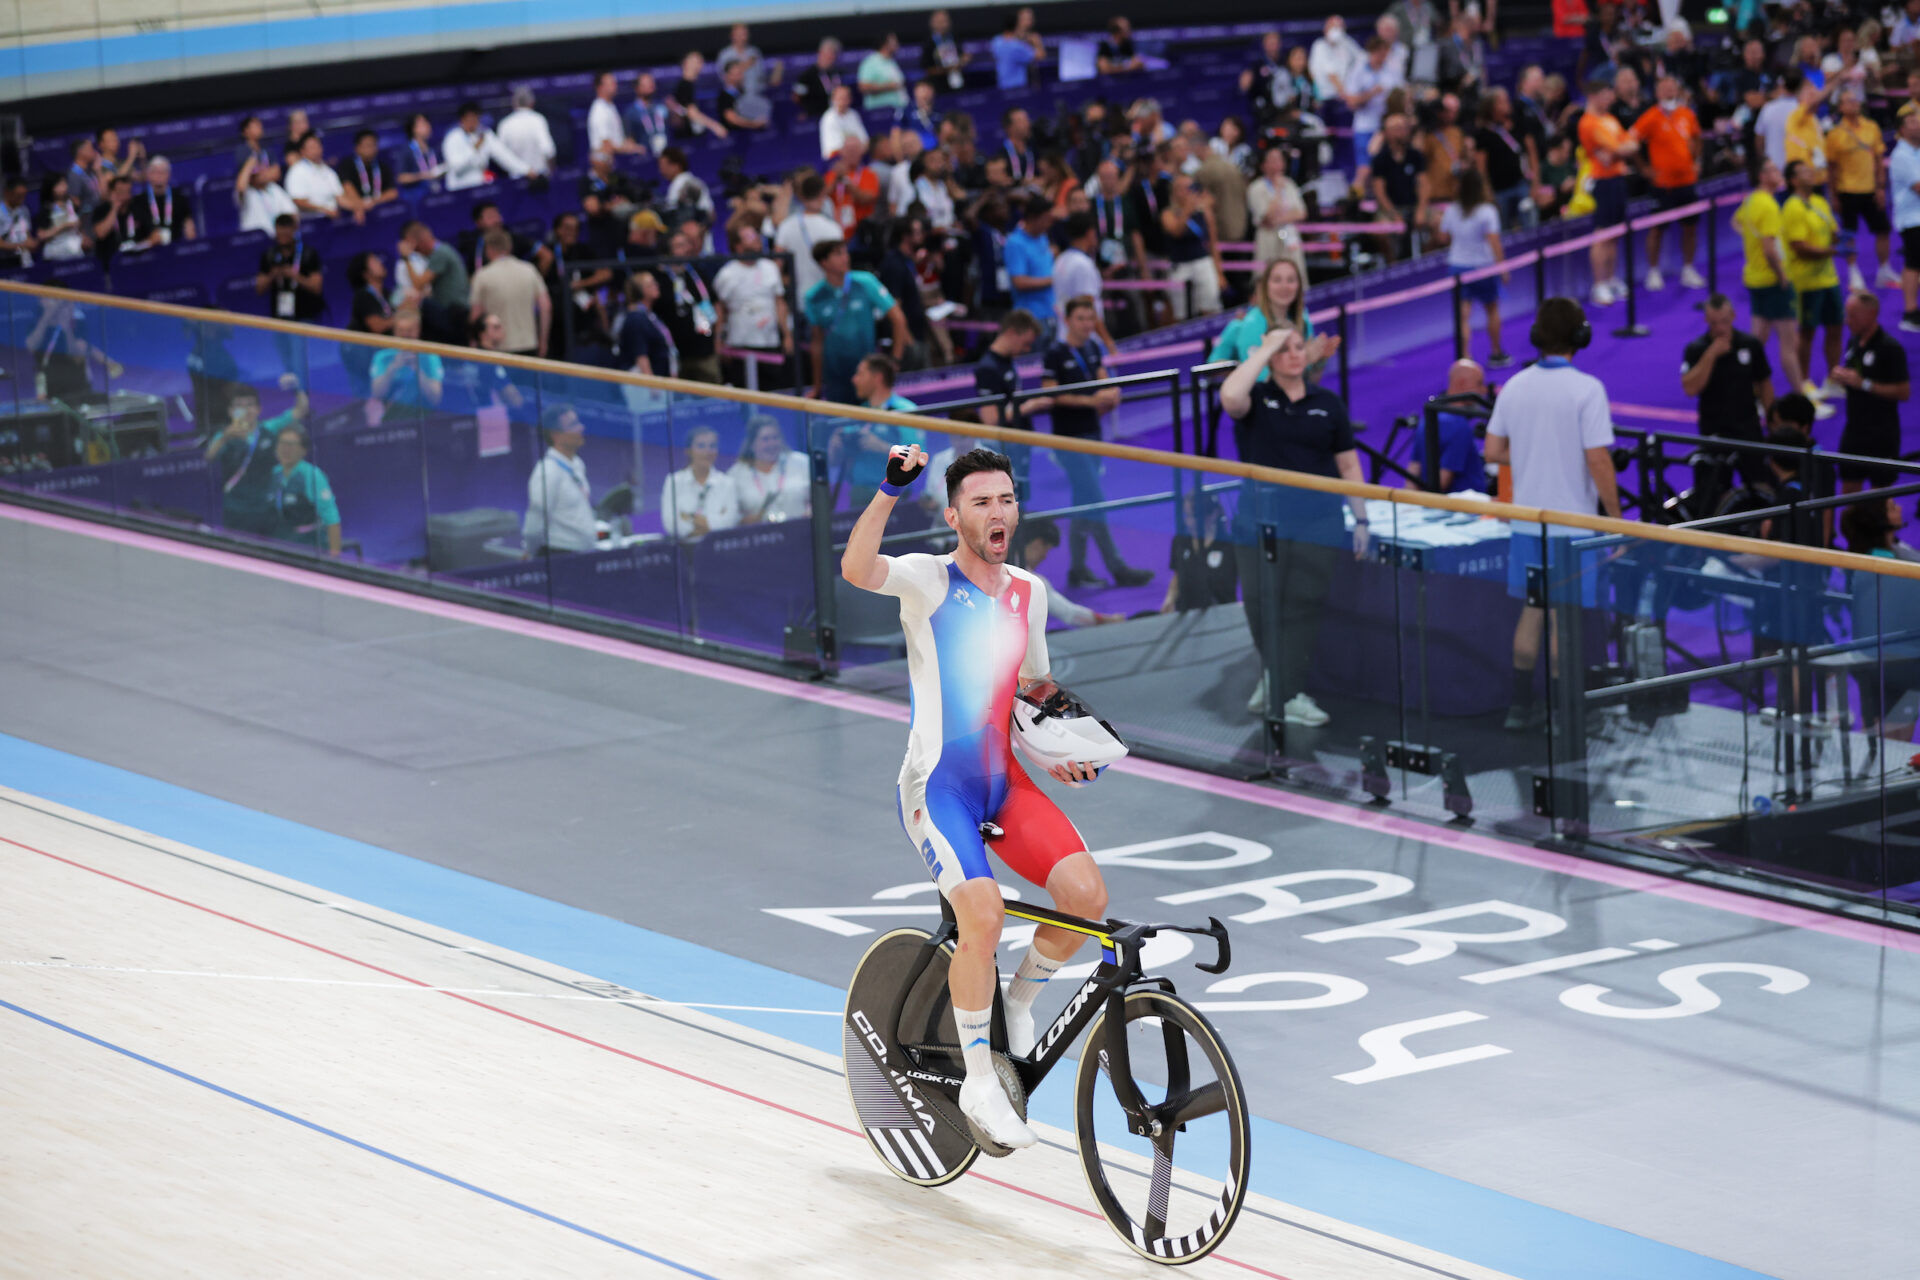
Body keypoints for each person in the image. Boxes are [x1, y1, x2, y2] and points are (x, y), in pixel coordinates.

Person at [838, 443, 1112, 1152]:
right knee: (982, 913)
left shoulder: (1030, 592)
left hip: (1005, 782)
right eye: (982, 502)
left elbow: (1034, 689)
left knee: (1086, 896)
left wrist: (1067, 748)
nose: (999, 512)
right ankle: (978, 1081)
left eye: (1007, 499)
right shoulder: (928, 579)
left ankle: (1017, 1003)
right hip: (939, 786)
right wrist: (889, 490)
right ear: (955, 513)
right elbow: (857, 569)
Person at [1220, 325, 1370, 724]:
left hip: (1316, 524)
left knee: (1302, 608)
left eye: (1298, 347)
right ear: (1268, 356)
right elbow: (1230, 396)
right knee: (1258, 604)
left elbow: (1348, 464)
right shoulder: (1256, 397)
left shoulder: (1328, 403)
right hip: (1259, 523)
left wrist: (1361, 517)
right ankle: (1276, 679)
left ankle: (1289, 692)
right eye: (1282, 349)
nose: (1293, 354)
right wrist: (1264, 349)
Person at [1483, 297, 1620, 731]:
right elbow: (1598, 461)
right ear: (1580, 336)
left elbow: (1492, 451)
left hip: (1528, 522)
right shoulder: (1587, 389)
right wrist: (1614, 520)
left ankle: (1520, 707)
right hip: (1572, 526)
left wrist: (1528, 455)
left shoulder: (1516, 386)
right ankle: (1564, 715)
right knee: (1563, 619)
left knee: (1532, 611)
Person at [1043, 296, 1152, 591]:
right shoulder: (1055, 353)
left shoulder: (1092, 347)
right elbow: (1052, 394)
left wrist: (1111, 393)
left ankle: (1077, 570)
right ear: (1068, 320)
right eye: (1081, 319)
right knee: (1095, 501)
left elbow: (1103, 381)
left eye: (1091, 319)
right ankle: (1117, 568)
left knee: (1084, 502)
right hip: (1069, 439)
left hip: (1093, 433)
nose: (1087, 325)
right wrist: (1091, 399)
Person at [1734, 160, 1818, 413]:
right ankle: (1802, 400)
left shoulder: (1751, 201)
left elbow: (1737, 223)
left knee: (1756, 340)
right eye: (1773, 170)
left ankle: (1748, 394)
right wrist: (1782, 275)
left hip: (1754, 277)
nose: (1779, 174)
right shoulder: (1769, 205)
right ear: (1763, 175)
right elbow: (1771, 249)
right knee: (1789, 342)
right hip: (1772, 280)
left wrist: (1754, 245)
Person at [1683, 295, 1776, 488]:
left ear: (1733, 316)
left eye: (1724, 322)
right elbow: (1690, 388)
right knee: (1715, 490)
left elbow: (1764, 384)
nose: (1719, 328)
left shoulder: (1750, 344)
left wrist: (1772, 422)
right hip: (1714, 430)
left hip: (1747, 428)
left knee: (1760, 485)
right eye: (1714, 323)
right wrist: (1712, 354)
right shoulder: (1696, 349)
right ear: (1706, 320)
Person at [805, 240, 908, 404]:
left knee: (872, 425)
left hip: (869, 375)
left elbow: (898, 319)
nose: (845, 258)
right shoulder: (814, 297)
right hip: (835, 378)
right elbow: (817, 343)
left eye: (846, 253)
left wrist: (895, 361)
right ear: (824, 262)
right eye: (838, 254)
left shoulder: (865, 282)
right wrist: (817, 386)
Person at [1831, 291, 1912, 492]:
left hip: (1882, 434)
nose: (1847, 321)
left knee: (1880, 499)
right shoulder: (1853, 342)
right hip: (1854, 430)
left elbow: (1904, 392)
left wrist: (1865, 384)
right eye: (1847, 315)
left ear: (1871, 314)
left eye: (1853, 316)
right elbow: (1856, 378)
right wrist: (1843, 378)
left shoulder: (1890, 348)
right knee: (1848, 491)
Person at [206, 381, 309, 538]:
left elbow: (300, 410)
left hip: (267, 509)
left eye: (250, 405)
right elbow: (209, 456)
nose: (246, 410)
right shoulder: (224, 436)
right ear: (231, 411)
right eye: (239, 405)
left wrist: (297, 388)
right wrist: (225, 437)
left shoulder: (269, 428)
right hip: (237, 511)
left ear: (259, 409)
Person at [1630, 74, 1703, 292]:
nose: (1669, 92)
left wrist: (1697, 161)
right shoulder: (1650, 117)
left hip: (1687, 181)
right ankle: (1653, 271)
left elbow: (1698, 138)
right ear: (1657, 93)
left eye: (1672, 88)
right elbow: (1631, 141)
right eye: (1664, 89)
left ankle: (1688, 269)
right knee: (1656, 229)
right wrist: (1643, 168)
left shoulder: (1687, 114)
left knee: (1690, 227)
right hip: (1661, 184)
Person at [1782, 159, 1844, 404]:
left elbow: (1833, 232)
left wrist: (1836, 243)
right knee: (1807, 332)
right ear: (1793, 180)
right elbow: (1798, 247)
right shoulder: (1792, 207)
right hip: (1806, 282)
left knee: (1836, 327)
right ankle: (1805, 381)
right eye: (1804, 172)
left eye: (1810, 170)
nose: (1811, 174)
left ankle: (1833, 378)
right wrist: (1829, 251)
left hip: (1829, 277)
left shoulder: (1819, 201)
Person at [1438, 169, 1510, 367]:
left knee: (1463, 316)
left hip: (1458, 267)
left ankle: (1465, 358)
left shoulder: (1451, 210)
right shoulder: (1488, 211)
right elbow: (1494, 242)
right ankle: (1496, 353)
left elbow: (1443, 237)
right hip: (1483, 268)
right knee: (1492, 310)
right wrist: (1503, 268)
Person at [1825, 89, 1894, 292]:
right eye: (1848, 101)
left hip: (1871, 189)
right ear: (1840, 108)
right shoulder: (1835, 135)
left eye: (1855, 100)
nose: (1853, 103)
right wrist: (1833, 196)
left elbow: (1879, 160)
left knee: (1883, 230)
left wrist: (1881, 188)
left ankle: (1884, 269)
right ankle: (1854, 272)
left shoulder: (1872, 127)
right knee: (1849, 234)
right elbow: (1831, 169)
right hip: (1847, 190)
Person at [831, 354, 924, 506]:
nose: (854, 379)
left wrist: (880, 446)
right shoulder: (859, 413)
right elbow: (835, 460)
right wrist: (836, 445)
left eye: (860, 374)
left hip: (894, 494)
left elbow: (918, 457)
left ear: (877, 377)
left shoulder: (905, 410)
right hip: (859, 495)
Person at [1578, 78, 1636, 305]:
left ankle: (1611, 279)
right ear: (1593, 96)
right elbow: (1616, 148)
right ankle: (1599, 284)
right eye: (1605, 94)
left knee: (1615, 234)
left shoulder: (1610, 119)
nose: (1610, 98)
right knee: (1602, 234)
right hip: (1602, 182)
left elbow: (1629, 144)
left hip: (1618, 178)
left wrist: (1620, 150)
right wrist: (1620, 149)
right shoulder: (1588, 123)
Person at [1409, 358, 1491, 493]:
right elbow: (1441, 482)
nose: (1484, 390)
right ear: (1462, 384)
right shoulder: (1459, 427)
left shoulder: (1427, 421)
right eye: (1479, 383)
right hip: (1467, 508)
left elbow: (1412, 473)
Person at [524, 405, 597, 555]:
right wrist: (530, 553)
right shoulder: (547, 472)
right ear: (556, 435)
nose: (581, 428)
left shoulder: (577, 464)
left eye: (578, 422)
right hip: (560, 555)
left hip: (584, 552)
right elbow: (535, 523)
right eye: (573, 425)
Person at [468, 229, 550, 358]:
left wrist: (473, 343)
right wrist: (543, 341)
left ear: (488, 249)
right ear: (509, 247)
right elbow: (546, 307)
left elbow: (476, 314)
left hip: (496, 347)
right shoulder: (530, 270)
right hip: (529, 344)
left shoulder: (482, 276)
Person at [268, 422, 342, 556]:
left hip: (308, 544)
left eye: (291, 445)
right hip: (280, 542)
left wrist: (335, 556)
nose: (285, 449)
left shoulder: (312, 475)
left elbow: (331, 518)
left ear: (303, 450)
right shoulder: (275, 473)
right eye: (282, 443)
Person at [1161, 489, 1239, 612]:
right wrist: (1169, 599)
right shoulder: (1181, 541)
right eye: (1187, 516)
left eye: (1195, 516)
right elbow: (1178, 575)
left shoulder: (1229, 546)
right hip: (1186, 612)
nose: (1190, 522)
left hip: (1220, 613)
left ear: (1214, 515)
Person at [660, 424, 741, 541]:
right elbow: (670, 523)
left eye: (712, 446)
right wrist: (696, 530)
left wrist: (695, 520)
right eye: (701, 446)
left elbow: (730, 521)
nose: (707, 451)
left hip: (719, 547)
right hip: (685, 549)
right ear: (689, 451)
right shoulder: (673, 482)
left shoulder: (728, 483)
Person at [775, 172, 844, 309]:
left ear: (801, 195)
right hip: (829, 300)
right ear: (823, 193)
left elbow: (777, 267)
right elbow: (841, 267)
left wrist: (789, 281)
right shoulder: (833, 229)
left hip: (800, 300)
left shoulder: (786, 226)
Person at [729, 416, 811, 524]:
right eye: (765, 439)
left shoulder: (802, 463)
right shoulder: (736, 475)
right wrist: (745, 521)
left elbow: (821, 499)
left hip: (802, 531)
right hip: (761, 537)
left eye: (775, 438)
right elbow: (731, 517)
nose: (772, 444)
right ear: (752, 444)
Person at [369, 309, 445, 416]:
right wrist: (393, 367)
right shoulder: (383, 357)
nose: (405, 335)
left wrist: (417, 369)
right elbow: (376, 393)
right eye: (401, 330)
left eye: (409, 331)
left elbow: (435, 398)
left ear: (418, 330)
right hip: (389, 418)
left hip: (422, 418)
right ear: (394, 331)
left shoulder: (430, 356)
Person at [255, 213, 323, 326]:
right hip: (279, 317)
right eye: (280, 232)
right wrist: (273, 274)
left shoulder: (308, 254)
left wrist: (295, 276)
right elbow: (259, 289)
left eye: (286, 232)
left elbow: (316, 288)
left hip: (305, 315)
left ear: (294, 230)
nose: (283, 236)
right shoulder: (269, 255)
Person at [444, 102, 530, 191]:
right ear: (462, 120)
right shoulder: (452, 138)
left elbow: (504, 156)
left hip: (479, 187)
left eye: (475, 117)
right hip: (459, 189)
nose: (473, 121)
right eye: (470, 118)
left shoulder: (485, 135)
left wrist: (526, 170)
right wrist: (474, 148)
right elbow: (457, 167)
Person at [343, 251, 394, 397]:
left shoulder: (386, 293)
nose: (380, 262)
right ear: (366, 274)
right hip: (368, 363)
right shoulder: (363, 296)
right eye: (374, 261)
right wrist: (400, 318)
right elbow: (377, 326)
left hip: (386, 358)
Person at [1004, 194, 1058, 331]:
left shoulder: (1043, 238)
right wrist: (1053, 280)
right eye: (1046, 219)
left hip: (1051, 313)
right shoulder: (1015, 243)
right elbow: (1019, 282)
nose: (1050, 224)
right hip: (1029, 319)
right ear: (1033, 218)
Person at [1894, 110, 1920, 333]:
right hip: (1912, 218)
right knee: (1913, 263)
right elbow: (1918, 187)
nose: (1917, 124)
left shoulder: (1917, 151)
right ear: (1902, 130)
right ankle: (1910, 313)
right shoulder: (1901, 155)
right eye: (1911, 122)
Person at [335, 131, 397, 224]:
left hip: (378, 212)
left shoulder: (382, 166)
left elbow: (393, 192)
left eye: (373, 145)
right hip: (355, 212)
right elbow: (347, 187)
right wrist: (359, 206)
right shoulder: (347, 164)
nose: (371, 149)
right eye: (367, 145)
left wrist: (373, 201)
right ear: (357, 148)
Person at [497, 87, 557, 177]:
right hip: (539, 177)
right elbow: (548, 150)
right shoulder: (538, 120)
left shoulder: (505, 124)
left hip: (515, 179)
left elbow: (500, 156)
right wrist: (551, 172)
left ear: (514, 104)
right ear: (532, 103)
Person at [284, 133, 344, 219]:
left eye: (318, 146)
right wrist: (323, 209)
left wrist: (356, 206)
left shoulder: (328, 171)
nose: (316, 150)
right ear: (302, 151)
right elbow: (298, 201)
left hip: (332, 217)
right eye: (312, 148)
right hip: (312, 221)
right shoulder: (296, 171)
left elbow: (340, 197)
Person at [137, 157, 195, 244]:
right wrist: (148, 242)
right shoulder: (139, 201)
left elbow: (189, 227)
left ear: (169, 175)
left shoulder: (179, 199)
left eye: (163, 172)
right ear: (149, 175)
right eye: (155, 172)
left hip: (175, 248)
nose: (159, 175)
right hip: (148, 251)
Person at [235, 156, 297, 236]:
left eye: (263, 171)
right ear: (250, 177)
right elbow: (240, 188)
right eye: (257, 173)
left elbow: (292, 213)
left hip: (279, 237)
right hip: (255, 238)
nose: (262, 174)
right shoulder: (247, 192)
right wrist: (249, 165)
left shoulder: (274, 188)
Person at [1310, 16, 1365, 102]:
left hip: (1344, 95)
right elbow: (1331, 74)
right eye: (1334, 27)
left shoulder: (1345, 42)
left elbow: (1363, 58)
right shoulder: (1319, 45)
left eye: (1340, 27)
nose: (1337, 30)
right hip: (1327, 97)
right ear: (1325, 29)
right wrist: (1346, 95)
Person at [588, 71, 637, 155]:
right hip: (606, 162)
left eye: (615, 83)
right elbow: (606, 145)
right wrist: (630, 149)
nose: (615, 86)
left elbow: (617, 140)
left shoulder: (610, 106)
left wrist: (628, 143)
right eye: (611, 83)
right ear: (600, 87)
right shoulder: (599, 111)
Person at [991, 12, 1044, 90]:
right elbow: (1040, 55)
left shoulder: (996, 41)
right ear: (1016, 26)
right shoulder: (1017, 47)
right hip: (1017, 89)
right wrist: (1037, 41)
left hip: (1002, 86)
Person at [795, 38, 845, 119]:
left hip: (838, 114)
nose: (831, 57)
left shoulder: (839, 73)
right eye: (829, 54)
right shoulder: (807, 75)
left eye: (834, 54)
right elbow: (797, 97)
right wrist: (805, 111)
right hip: (816, 115)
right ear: (820, 53)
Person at [858, 33, 908, 111]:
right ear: (885, 44)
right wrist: (887, 86)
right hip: (881, 112)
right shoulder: (870, 62)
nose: (897, 44)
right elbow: (863, 87)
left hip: (898, 108)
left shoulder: (891, 61)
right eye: (894, 41)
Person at [820, 84, 868, 161]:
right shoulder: (828, 118)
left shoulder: (853, 114)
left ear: (850, 99)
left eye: (846, 97)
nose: (843, 100)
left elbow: (864, 140)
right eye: (840, 97)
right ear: (833, 99)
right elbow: (833, 148)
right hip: (836, 160)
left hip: (857, 157)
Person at [395, 113, 444, 188]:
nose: (428, 126)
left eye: (427, 123)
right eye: (423, 124)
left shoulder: (434, 147)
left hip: (437, 190)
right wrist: (423, 176)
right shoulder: (405, 151)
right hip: (417, 195)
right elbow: (401, 178)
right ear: (413, 129)